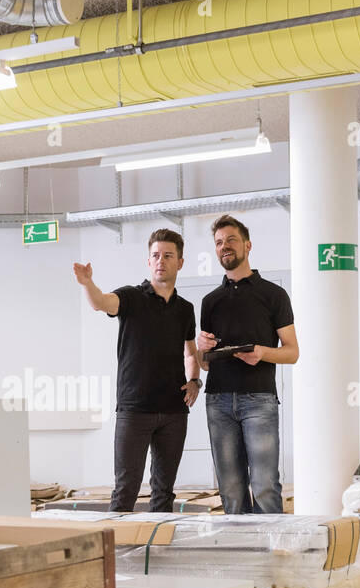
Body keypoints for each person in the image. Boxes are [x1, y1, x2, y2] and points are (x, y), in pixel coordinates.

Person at [74, 228, 200, 513]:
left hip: (173, 412)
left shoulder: (185, 309)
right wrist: (87, 283)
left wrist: (194, 380)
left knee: (164, 491)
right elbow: (101, 302)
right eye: (155, 255)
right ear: (148, 261)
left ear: (180, 262)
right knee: (126, 488)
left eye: (168, 256)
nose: (161, 261)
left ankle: (157, 554)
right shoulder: (131, 297)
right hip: (134, 410)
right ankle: (116, 555)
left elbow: (190, 351)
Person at [198, 214, 298, 514]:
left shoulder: (273, 294)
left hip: (259, 401)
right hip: (218, 402)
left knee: (265, 485)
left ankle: (273, 556)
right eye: (218, 243)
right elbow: (206, 365)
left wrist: (262, 353)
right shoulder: (210, 301)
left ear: (247, 245)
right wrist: (203, 350)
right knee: (230, 488)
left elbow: (292, 352)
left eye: (230, 240)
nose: (224, 246)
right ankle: (242, 554)